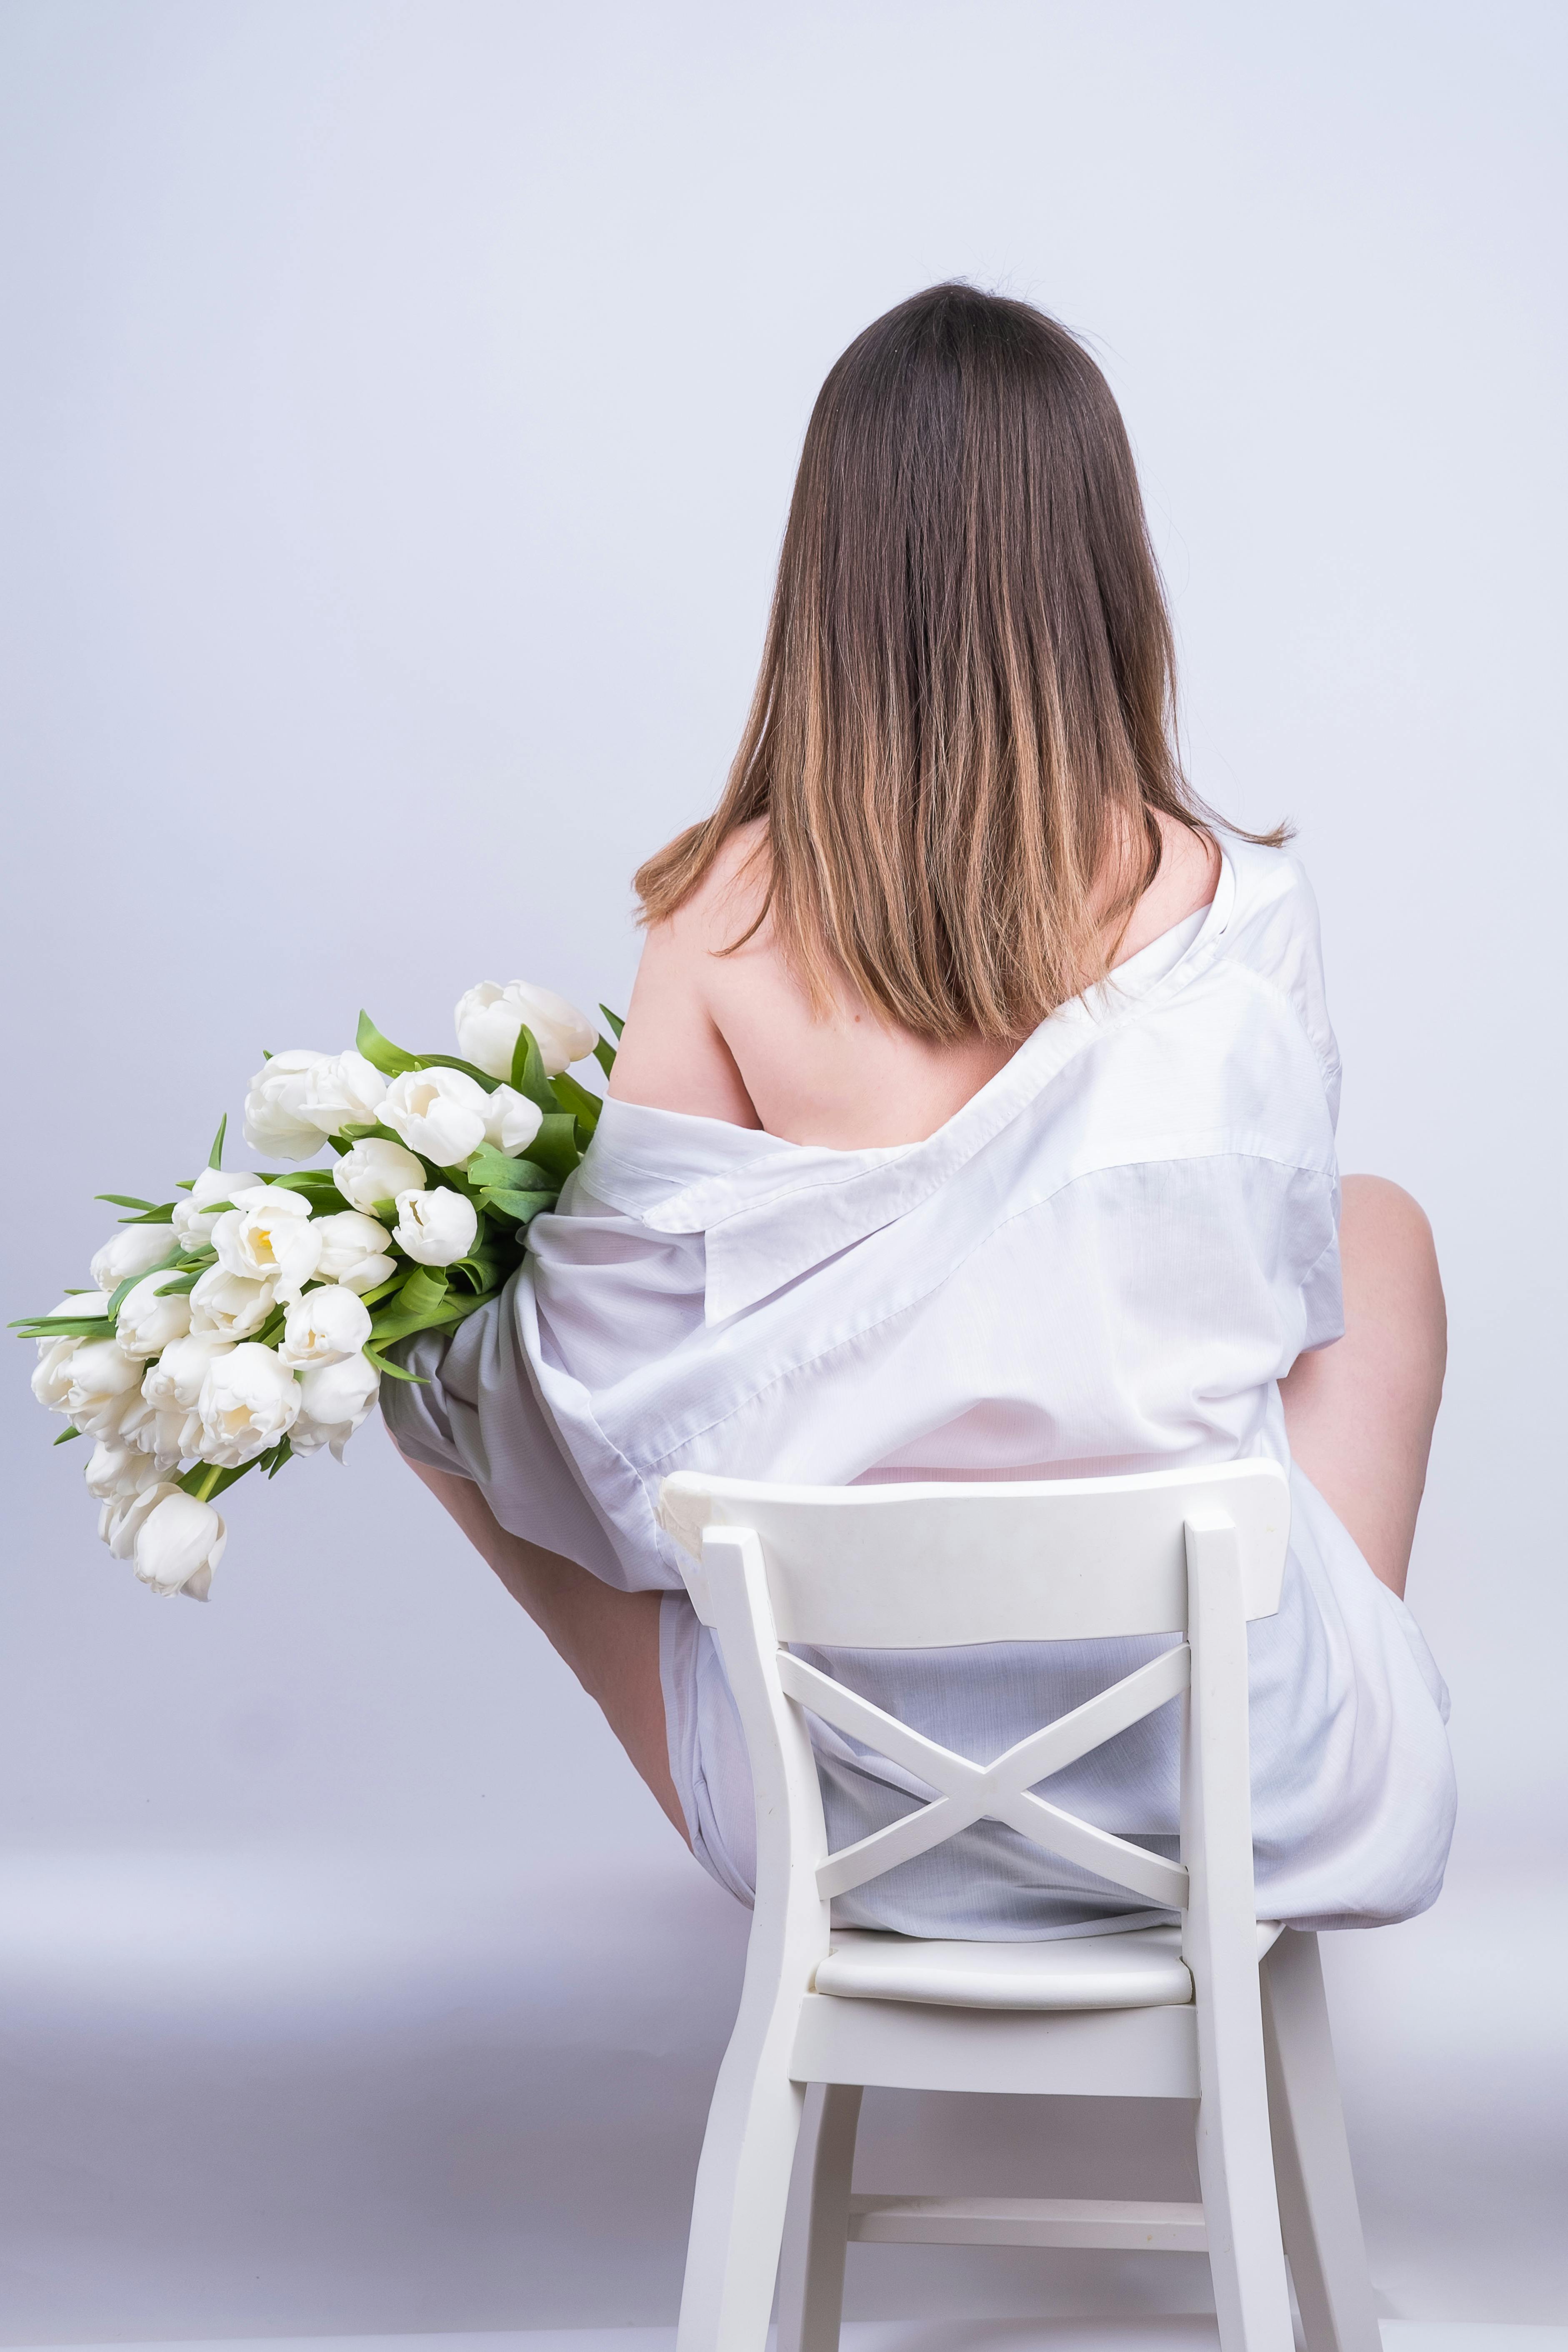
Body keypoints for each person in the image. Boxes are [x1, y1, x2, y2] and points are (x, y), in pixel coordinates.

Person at [385, 283, 1455, 1936]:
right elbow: (1258, 1312)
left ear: (827, 570)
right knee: (1371, 1237)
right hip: (1227, 1782)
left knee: (433, 1369)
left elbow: (603, 1416)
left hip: (835, 1808)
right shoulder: (1242, 909)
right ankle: (1249, 1738)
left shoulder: (720, 916)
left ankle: (885, 1772)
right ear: (1104, 562)